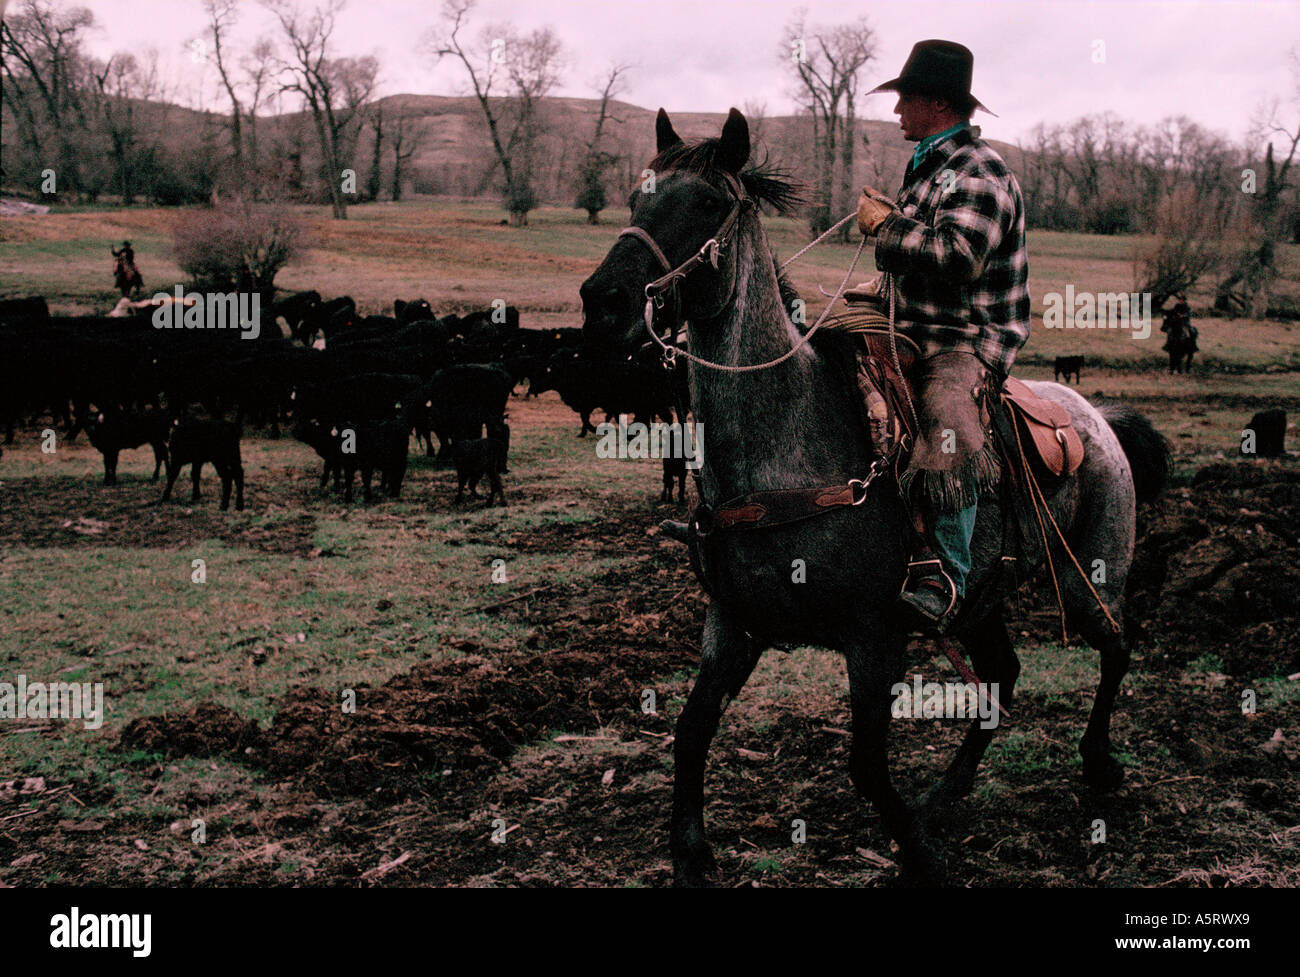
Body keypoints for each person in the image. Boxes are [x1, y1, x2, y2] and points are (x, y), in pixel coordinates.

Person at [855, 40, 1031, 630]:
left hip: (964, 341)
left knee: (945, 418)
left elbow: (960, 258)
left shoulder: (982, 172)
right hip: (908, 327)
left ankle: (946, 573)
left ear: (934, 102)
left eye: (904, 98)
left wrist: (890, 227)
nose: (897, 110)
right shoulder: (931, 166)